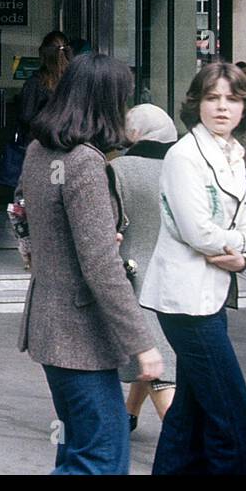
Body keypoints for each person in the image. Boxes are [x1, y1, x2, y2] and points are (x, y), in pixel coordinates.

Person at [17, 52, 162, 474]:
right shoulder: (83, 162)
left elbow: (31, 223)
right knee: (100, 458)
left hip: (50, 322)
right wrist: (143, 342)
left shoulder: (39, 151)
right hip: (80, 335)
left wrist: (94, 235)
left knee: (80, 448)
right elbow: (101, 266)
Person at [140, 62, 246, 474]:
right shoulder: (183, 155)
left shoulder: (235, 154)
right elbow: (199, 233)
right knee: (235, 423)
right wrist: (241, 245)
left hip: (212, 295)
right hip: (185, 301)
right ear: (197, 104)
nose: (223, 108)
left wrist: (244, 255)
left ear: (245, 107)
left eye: (232, 99)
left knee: (188, 419)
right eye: (212, 98)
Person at [109, 105, 178, 431]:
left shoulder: (118, 167)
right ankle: (130, 413)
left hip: (134, 270)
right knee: (154, 348)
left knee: (157, 366)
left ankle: (183, 443)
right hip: (177, 273)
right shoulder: (182, 165)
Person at [17, 31, 71, 145]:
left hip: (39, 145)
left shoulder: (35, 83)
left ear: (42, 54)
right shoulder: (74, 81)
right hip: (68, 144)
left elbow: (26, 116)